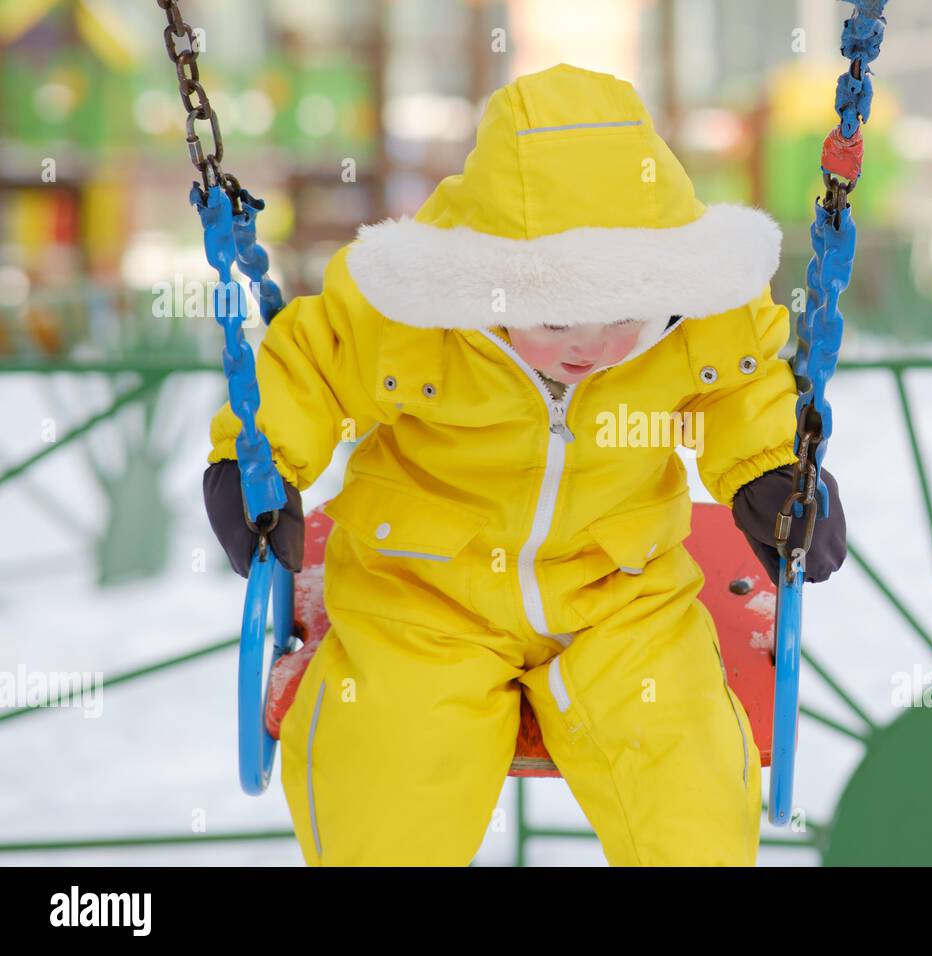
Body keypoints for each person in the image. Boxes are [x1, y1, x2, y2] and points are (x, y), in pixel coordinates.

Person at [204, 63, 846, 866]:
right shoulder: (413, 309)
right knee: (388, 784)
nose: (593, 345)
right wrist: (255, 467)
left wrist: (772, 474)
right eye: (554, 318)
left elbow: (742, 391)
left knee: (687, 785)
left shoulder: (697, 317)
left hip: (621, 591)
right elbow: (310, 365)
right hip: (424, 589)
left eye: (624, 314)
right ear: (492, 285)